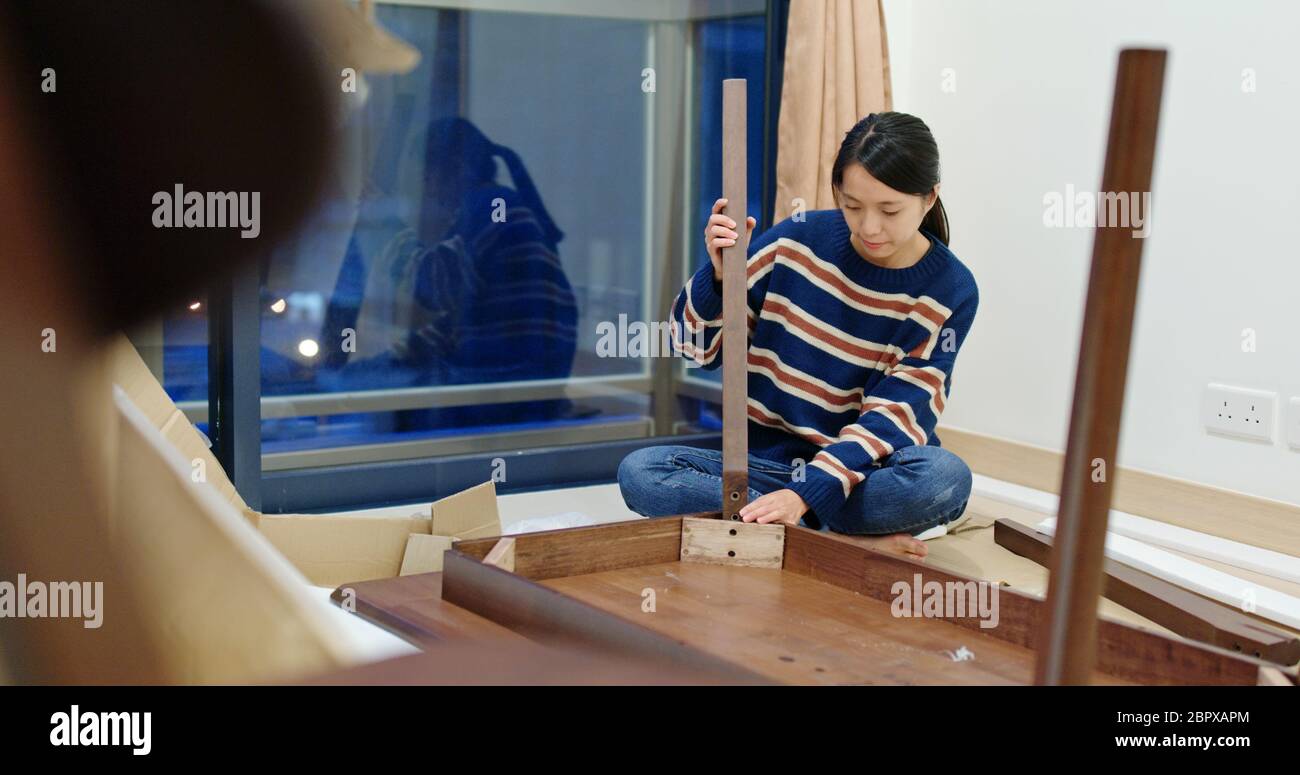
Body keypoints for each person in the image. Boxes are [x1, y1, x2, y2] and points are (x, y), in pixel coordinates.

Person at [618, 112, 978, 558]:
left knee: (943, 478)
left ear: (929, 198)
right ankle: (831, 543)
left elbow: (895, 417)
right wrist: (719, 279)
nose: (869, 227)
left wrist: (807, 494)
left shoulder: (951, 289)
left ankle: (773, 532)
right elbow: (697, 348)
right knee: (642, 472)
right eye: (852, 205)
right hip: (766, 467)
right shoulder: (797, 239)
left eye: (889, 211)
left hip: (860, 474)